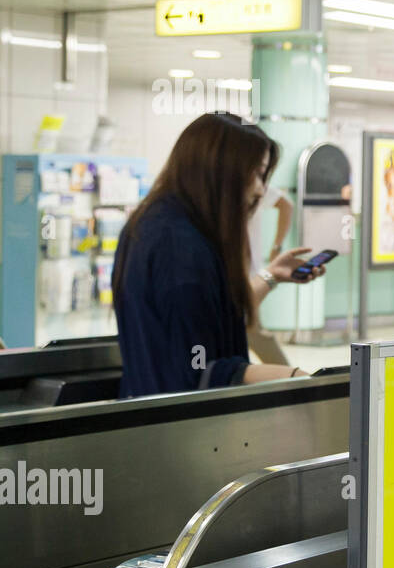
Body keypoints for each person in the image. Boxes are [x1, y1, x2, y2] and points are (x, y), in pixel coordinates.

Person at [112, 112, 326, 398]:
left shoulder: (160, 223)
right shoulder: (180, 246)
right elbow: (197, 371)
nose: (261, 190)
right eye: (257, 174)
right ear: (221, 170)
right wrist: (295, 377)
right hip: (178, 429)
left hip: (154, 416)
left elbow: (210, 316)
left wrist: (271, 276)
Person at [246, 183, 293, 365]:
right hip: (245, 276)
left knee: (253, 332)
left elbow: (286, 205)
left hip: (244, 277)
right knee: (252, 332)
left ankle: (292, 384)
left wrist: (276, 247)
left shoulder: (248, 183)